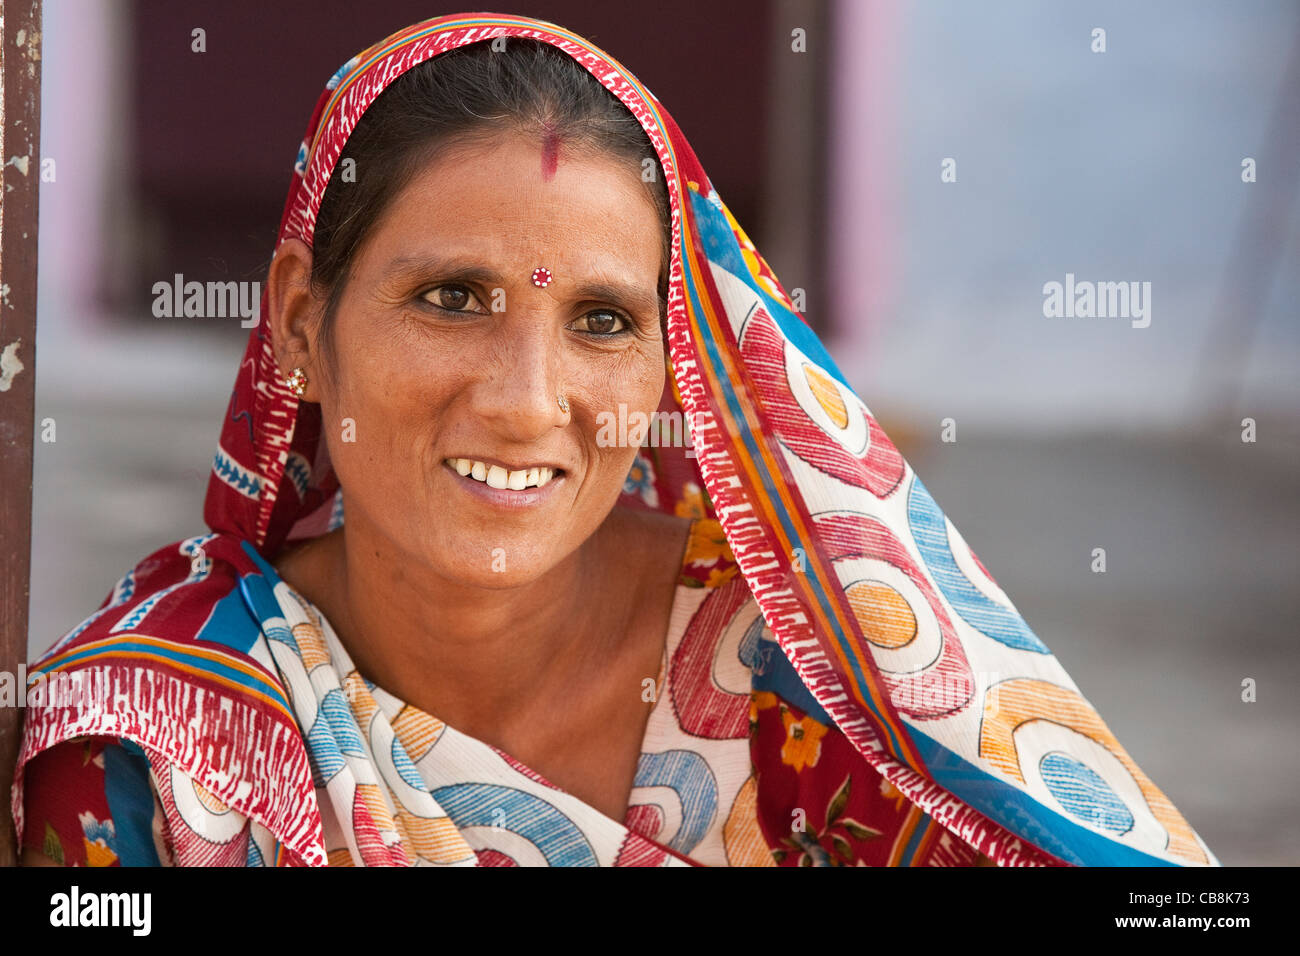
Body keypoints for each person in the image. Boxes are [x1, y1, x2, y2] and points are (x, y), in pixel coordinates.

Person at [13, 11, 1217, 867]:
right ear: (299, 322)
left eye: (601, 320)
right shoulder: (156, 740)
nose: (530, 401)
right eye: (452, 297)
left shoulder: (802, 680)